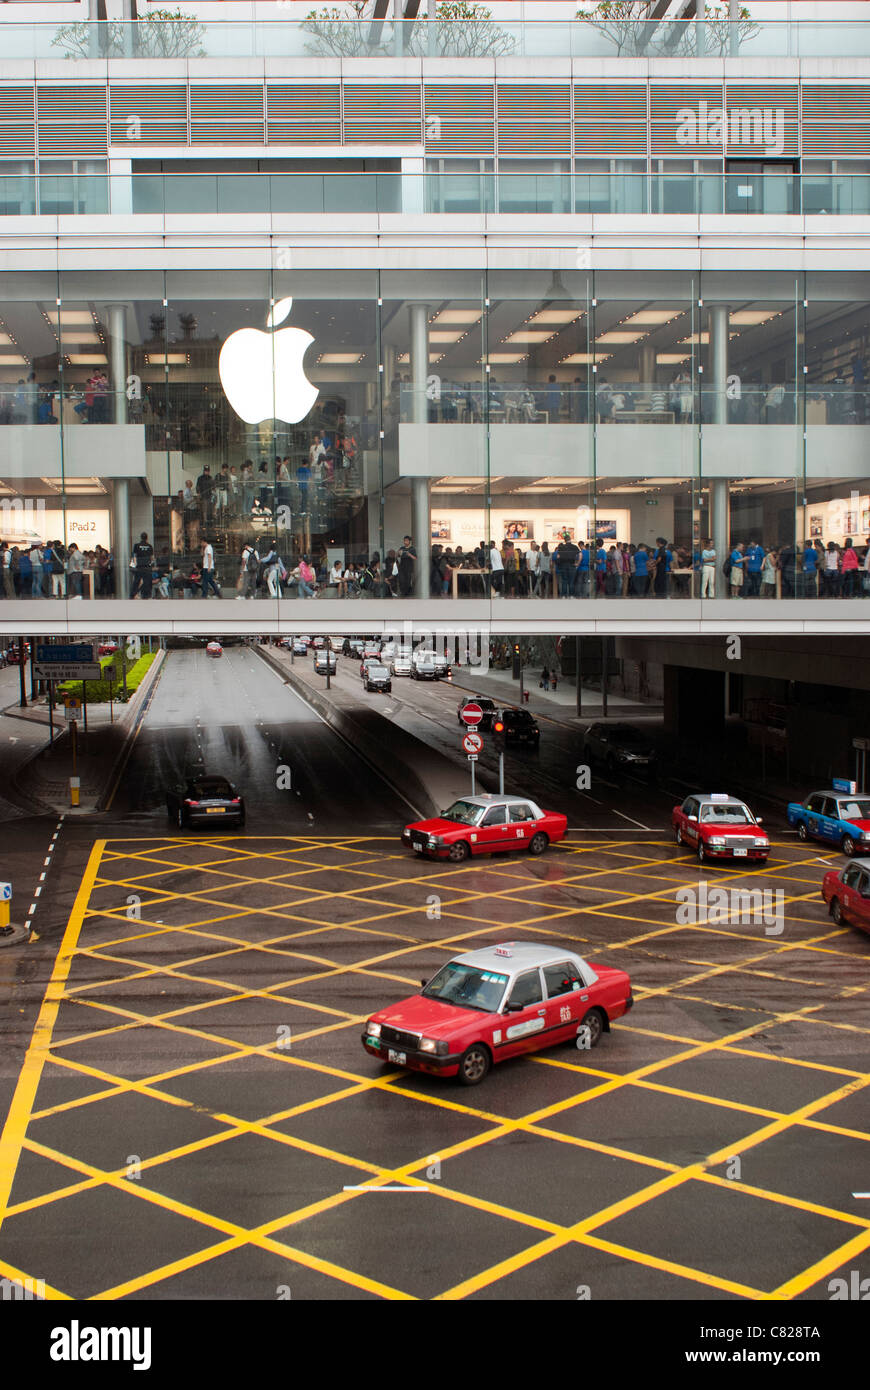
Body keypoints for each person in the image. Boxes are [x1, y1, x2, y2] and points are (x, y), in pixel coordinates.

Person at [130, 531, 154, 599]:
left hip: (139, 566)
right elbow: (152, 558)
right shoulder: (149, 546)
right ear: (147, 538)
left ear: (141, 538)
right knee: (147, 581)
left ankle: (133, 594)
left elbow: (134, 556)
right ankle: (146, 595)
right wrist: (150, 564)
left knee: (137, 581)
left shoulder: (136, 545)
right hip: (147, 567)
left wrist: (134, 565)